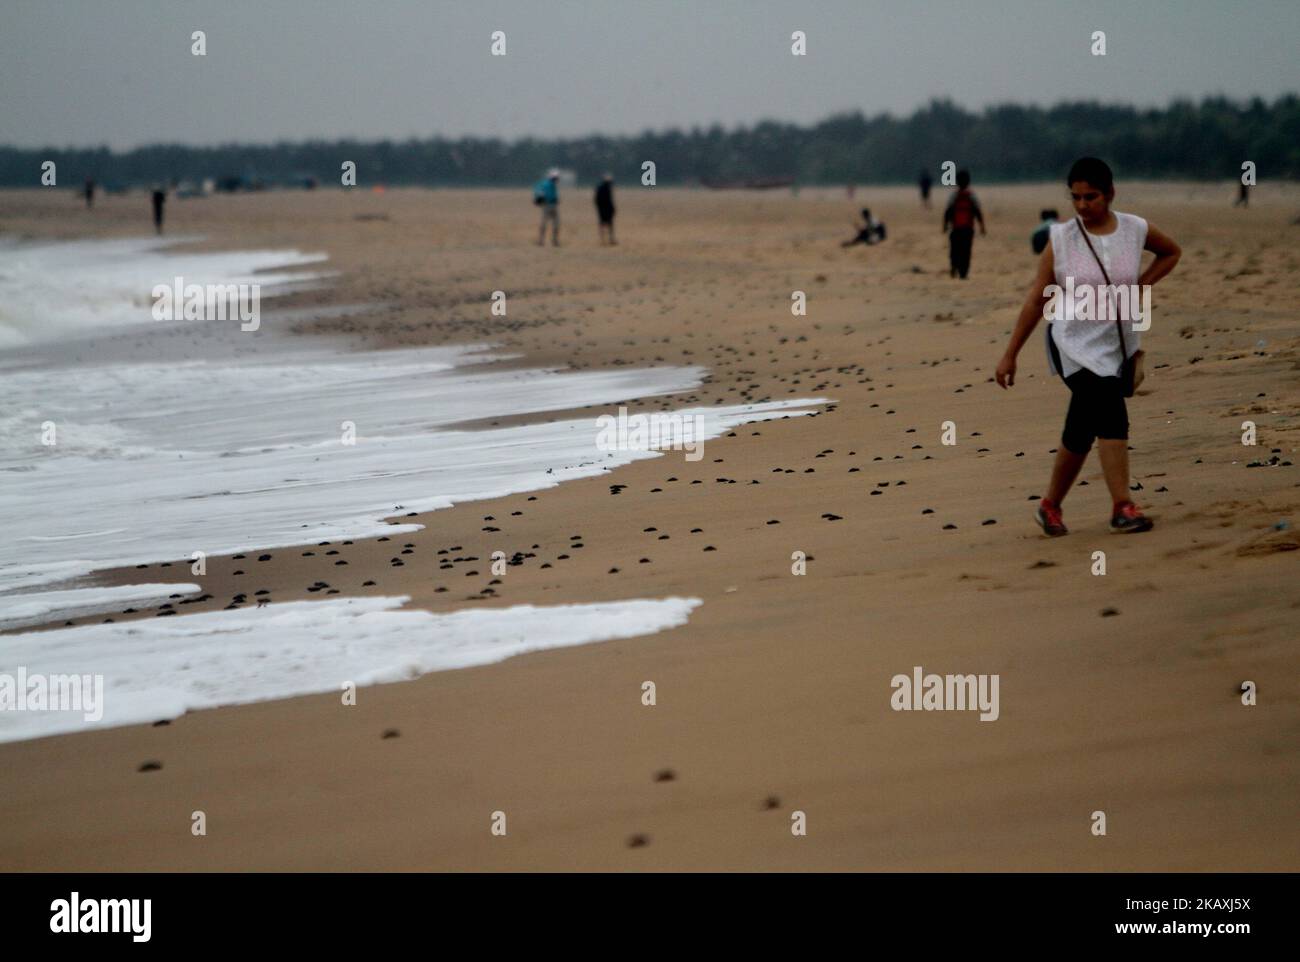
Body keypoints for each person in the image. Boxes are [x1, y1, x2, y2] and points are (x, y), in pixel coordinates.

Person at [995, 157, 1181, 536]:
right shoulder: (1061, 239)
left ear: (1110, 193)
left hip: (1115, 345)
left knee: (1081, 427)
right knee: (1110, 413)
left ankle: (1050, 506)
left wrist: (1142, 285)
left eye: (1090, 197)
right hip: (1072, 344)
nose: (1081, 205)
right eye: (1075, 197)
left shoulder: (1134, 229)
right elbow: (1037, 299)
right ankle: (1122, 507)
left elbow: (1172, 252)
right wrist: (1010, 353)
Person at [942, 169, 985, 278]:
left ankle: (954, 266)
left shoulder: (954, 196)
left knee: (954, 250)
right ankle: (963, 273)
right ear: (968, 182)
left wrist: (945, 225)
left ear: (957, 181)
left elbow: (948, 212)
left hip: (956, 229)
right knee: (966, 251)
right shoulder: (972, 196)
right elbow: (977, 212)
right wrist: (982, 226)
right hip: (968, 229)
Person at [534, 169, 560, 246]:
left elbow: (538, 190)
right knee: (550, 223)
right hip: (548, 205)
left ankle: (543, 241)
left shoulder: (549, 184)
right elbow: (539, 191)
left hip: (551, 205)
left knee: (549, 223)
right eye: (555, 178)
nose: (556, 179)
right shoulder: (547, 184)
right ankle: (550, 241)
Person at [594, 173, 616, 245]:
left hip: (602, 209)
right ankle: (609, 239)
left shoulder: (600, 188)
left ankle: (603, 240)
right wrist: (612, 208)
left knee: (602, 224)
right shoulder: (607, 189)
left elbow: (596, 200)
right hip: (606, 209)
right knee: (609, 224)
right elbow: (609, 200)